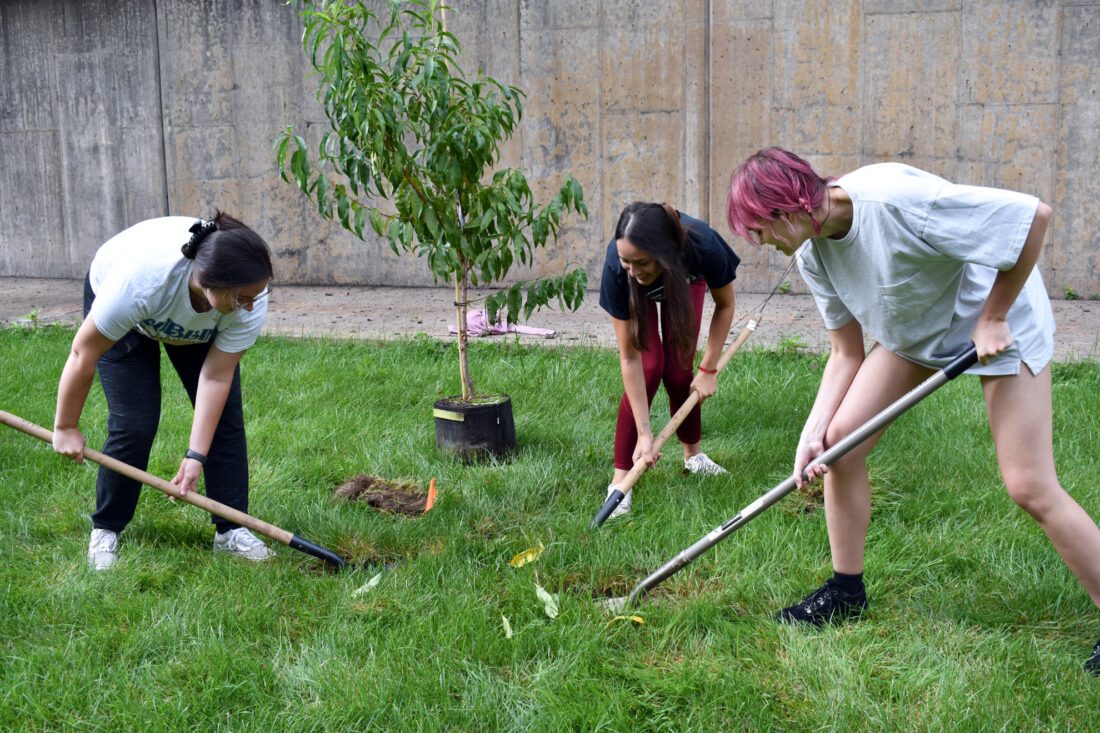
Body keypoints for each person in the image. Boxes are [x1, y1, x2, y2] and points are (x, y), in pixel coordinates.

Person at [726, 147, 1100, 673]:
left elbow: (1031, 217)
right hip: (916, 331)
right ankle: (845, 592)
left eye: (760, 231)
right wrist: (812, 433)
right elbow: (846, 353)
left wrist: (991, 316)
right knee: (840, 445)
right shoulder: (811, 252)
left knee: (1028, 484)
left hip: (998, 325)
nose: (761, 245)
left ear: (785, 209)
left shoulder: (895, 199)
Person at [53, 212, 276, 570]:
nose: (251, 306)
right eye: (242, 298)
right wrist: (65, 426)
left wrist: (195, 456)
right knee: (135, 423)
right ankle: (106, 529)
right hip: (134, 317)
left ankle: (231, 529)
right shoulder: (140, 282)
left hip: (194, 321)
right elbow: (84, 352)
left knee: (225, 421)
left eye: (256, 295)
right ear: (211, 282)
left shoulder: (248, 298)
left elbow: (217, 377)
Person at [598, 202, 741, 517]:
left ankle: (694, 457)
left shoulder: (702, 244)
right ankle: (620, 482)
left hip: (684, 279)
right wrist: (644, 431)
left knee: (679, 373)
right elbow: (630, 357)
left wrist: (708, 369)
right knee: (650, 369)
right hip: (645, 295)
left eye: (641, 263)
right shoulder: (619, 270)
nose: (633, 272)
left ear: (664, 253)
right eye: (626, 261)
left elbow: (726, 305)